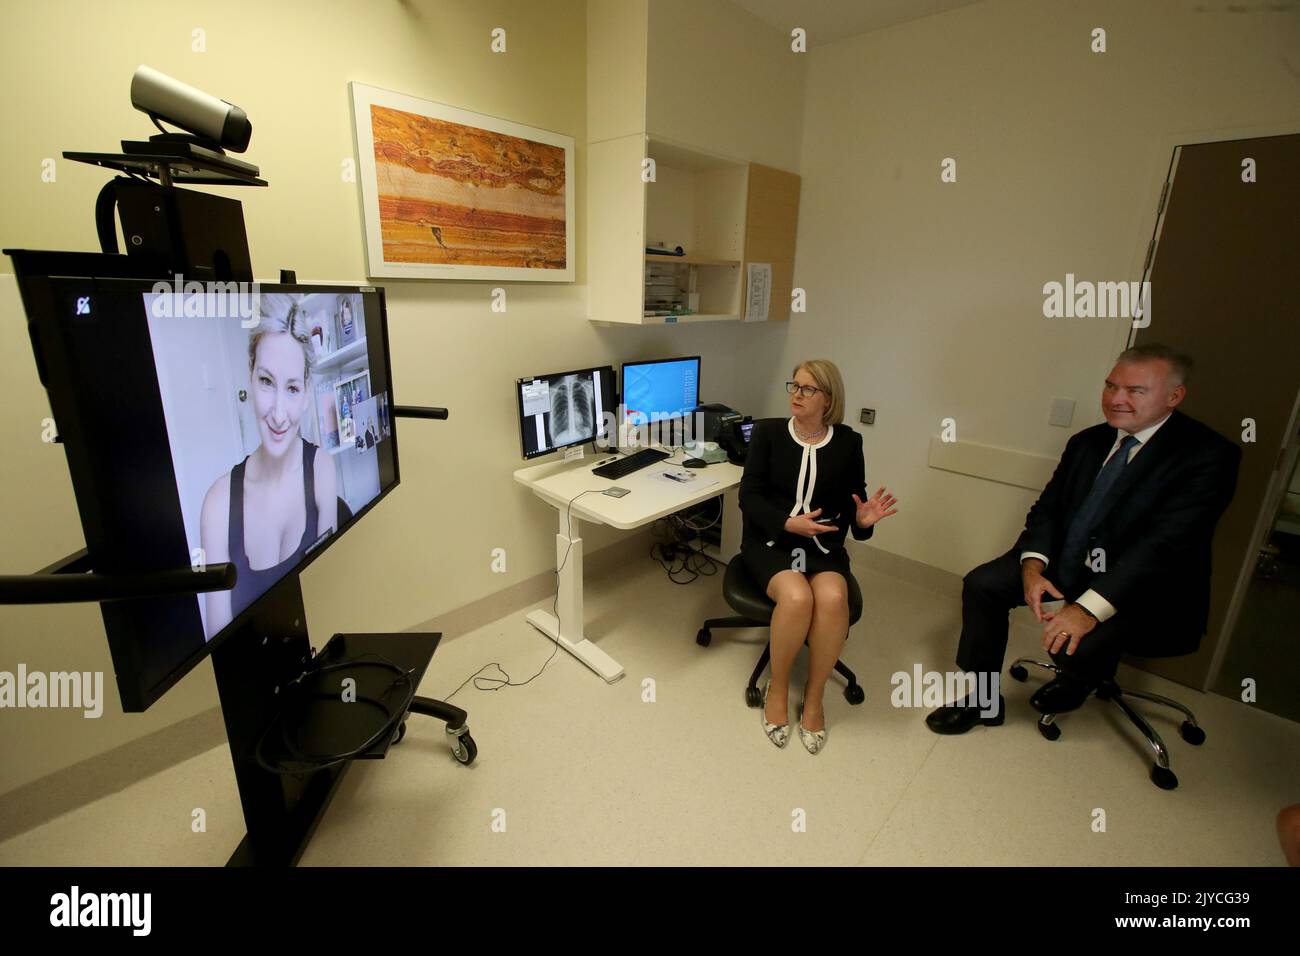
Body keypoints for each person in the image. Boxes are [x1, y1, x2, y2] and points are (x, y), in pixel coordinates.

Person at [927, 343, 1240, 734]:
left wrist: (1086, 608)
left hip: (1141, 587)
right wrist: (1032, 564)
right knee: (983, 584)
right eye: (1111, 386)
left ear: (1174, 396)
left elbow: (1163, 547)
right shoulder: (1087, 442)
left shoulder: (1209, 456)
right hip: (1072, 560)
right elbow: (1048, 509)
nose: (1116, 399)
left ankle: (1078, 680)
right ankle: (983, 700)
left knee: (1085, 641)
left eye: (1135, 391)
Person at [739, 359, 899, 753]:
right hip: (773, 540)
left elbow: (854, 508)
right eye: (794, 385)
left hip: (823, 546)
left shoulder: (848, 443)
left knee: (832, 598)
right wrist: (787, 523)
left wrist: (864, 520)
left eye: (808, 389)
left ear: (828, 399)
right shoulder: (768, 433)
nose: (797, 393)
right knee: (797, 598)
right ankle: (778, 689)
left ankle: (813, 697)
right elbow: (748, 497)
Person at [200, 295, 339, 639]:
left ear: (306, 393)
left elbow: (336, 591)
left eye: (292, 388)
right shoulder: (218, 504)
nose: (278, 414)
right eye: (266, 382)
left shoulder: (320, 468)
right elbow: (219, 645)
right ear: (249, 377)